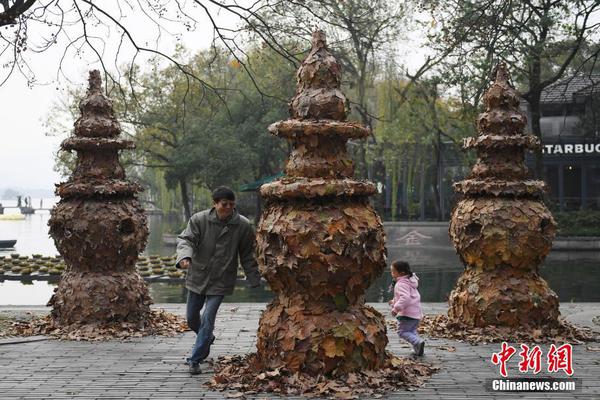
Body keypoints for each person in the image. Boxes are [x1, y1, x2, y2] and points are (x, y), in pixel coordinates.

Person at [176, 186, 261, 375]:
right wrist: (184, 257)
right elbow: (186, 240)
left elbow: (247, 255)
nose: (229, 208)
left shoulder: (243, 225)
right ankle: (207, 338)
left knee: (208, 318)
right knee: (192, 319)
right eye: (224, 204)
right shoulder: (199, 219)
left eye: (232, 204)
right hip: (198, 275)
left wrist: (253, 277)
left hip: (222, 278)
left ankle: (195, 359)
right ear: (215, 204)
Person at [389, 260, 425, 357]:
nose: (391, 273)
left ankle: (418, 341)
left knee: (402, 332)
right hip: (415, 313)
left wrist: (396, 308)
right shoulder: (409, 281)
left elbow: (405, 298)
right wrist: (394, 302)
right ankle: (417, 349)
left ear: (401, 273)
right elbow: (405, 296)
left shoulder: (401, 284)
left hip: (407, 313)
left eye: (393, 271)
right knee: (411, 331)